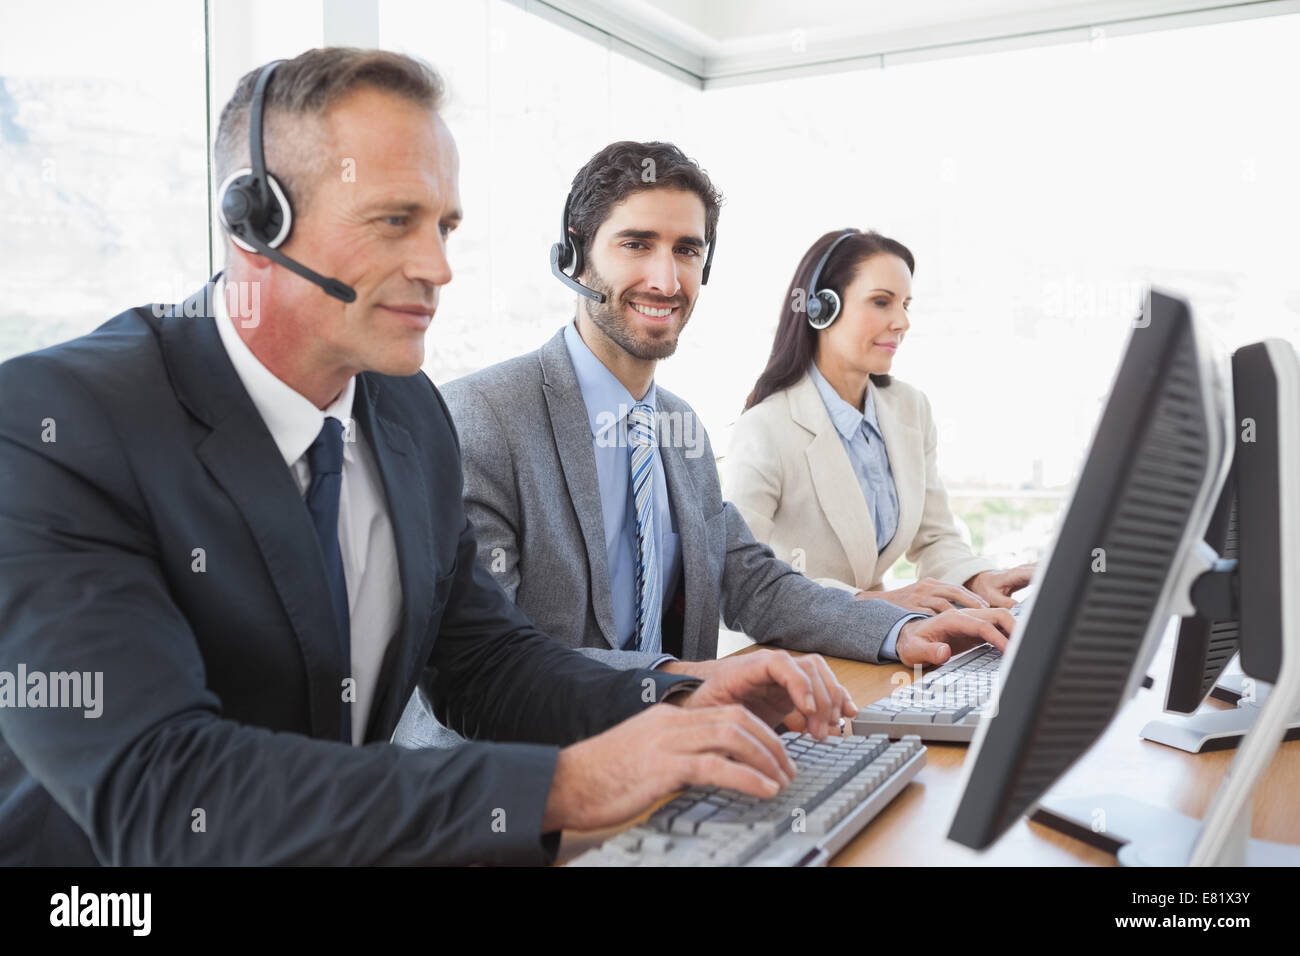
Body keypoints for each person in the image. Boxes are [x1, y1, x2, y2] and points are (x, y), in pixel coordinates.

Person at [0, 49, 860, 866]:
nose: (439, 265)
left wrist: (675, 699)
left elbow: (483, 661)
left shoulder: (404, 412)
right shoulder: (58, 423)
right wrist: (559, 785)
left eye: (444, 225)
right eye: (394, 221)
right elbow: (161, 788)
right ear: (255, 221)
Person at [409, 144, 1015, 722]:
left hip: (669, 752)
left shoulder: (678, 428)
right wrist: (679, 689)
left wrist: (898, 631)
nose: (666, 281)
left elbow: (752, 581)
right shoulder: (483, 418)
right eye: (636, 244)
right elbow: (486, 666)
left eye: (687, 251)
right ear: (575, 256)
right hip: (518, 781)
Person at [723, 228, 1034, 644]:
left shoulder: (910, 408)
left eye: (905, 305)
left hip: (876, 644)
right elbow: (739, 578)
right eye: (881, 302)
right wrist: (874, 602)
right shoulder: (765, 427)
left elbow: (935, 537)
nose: (903, 322)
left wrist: (979, 578)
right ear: (821, 309)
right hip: (788, 652)